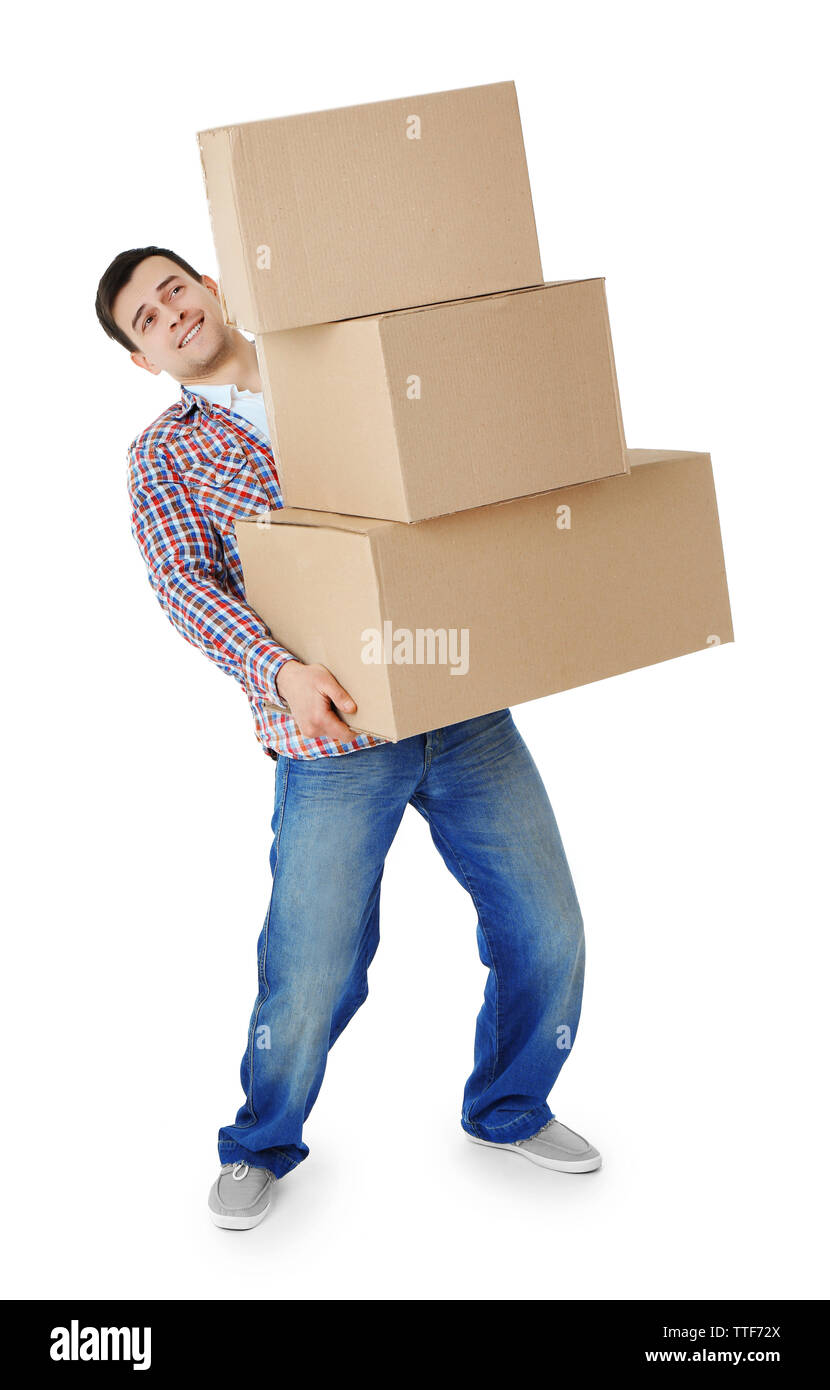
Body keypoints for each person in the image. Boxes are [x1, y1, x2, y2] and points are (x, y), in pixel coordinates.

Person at [96, 246, 602, 1231]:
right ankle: (260, 1142)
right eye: (146, 320)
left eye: (173, 290)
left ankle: (507, 1106)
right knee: (315, 962)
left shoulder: (342, 365)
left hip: (459, 701)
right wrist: (278, 669)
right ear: (141, 358)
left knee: (545, 925)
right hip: (326, 738)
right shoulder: (165, 453)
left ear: (213, 286)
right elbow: (183, 584)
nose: (170, 314)